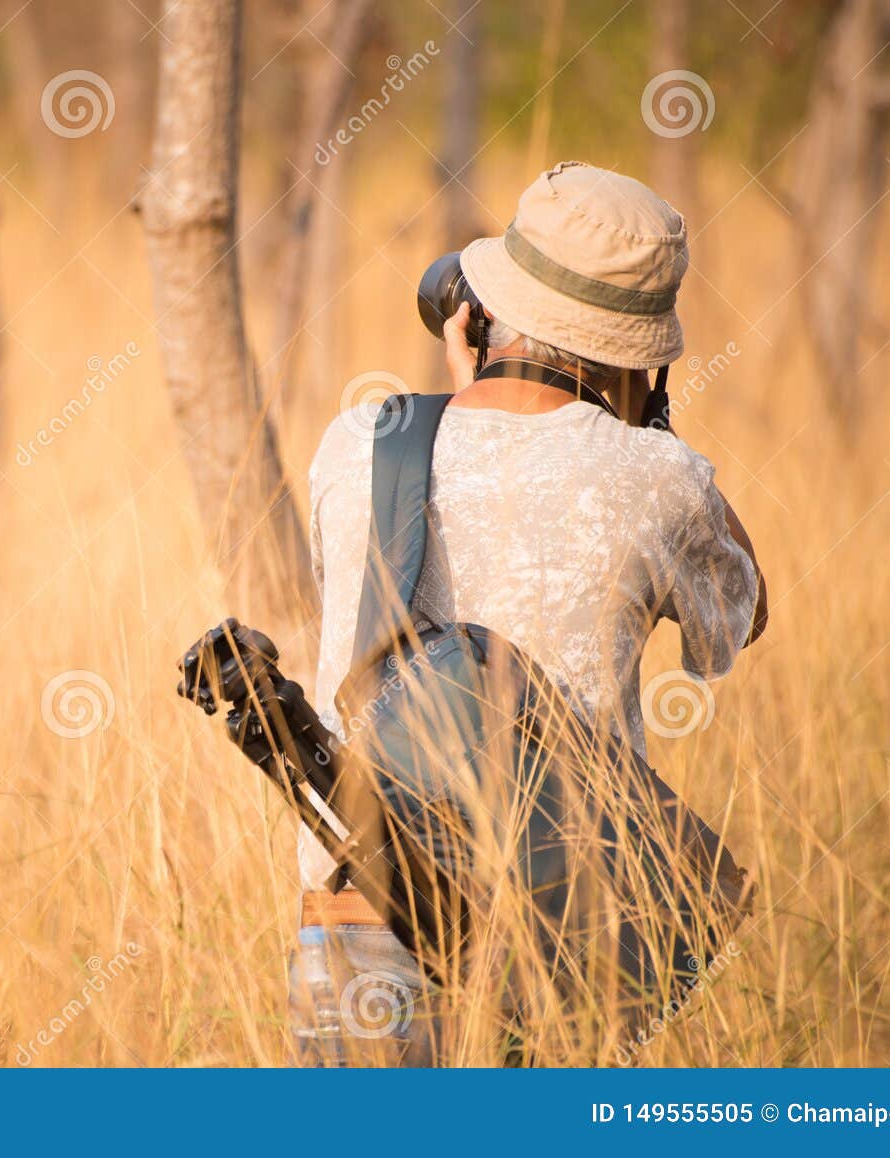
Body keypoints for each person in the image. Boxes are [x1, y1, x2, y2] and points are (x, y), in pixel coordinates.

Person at [289, 162, 767, 1066]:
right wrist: (651, 429)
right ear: (639, 352)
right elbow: (741, 616)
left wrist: (461, 395)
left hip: (359, 924)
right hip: (561, 935)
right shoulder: (659, 481)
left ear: (481, 313)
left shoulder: (361, 443)